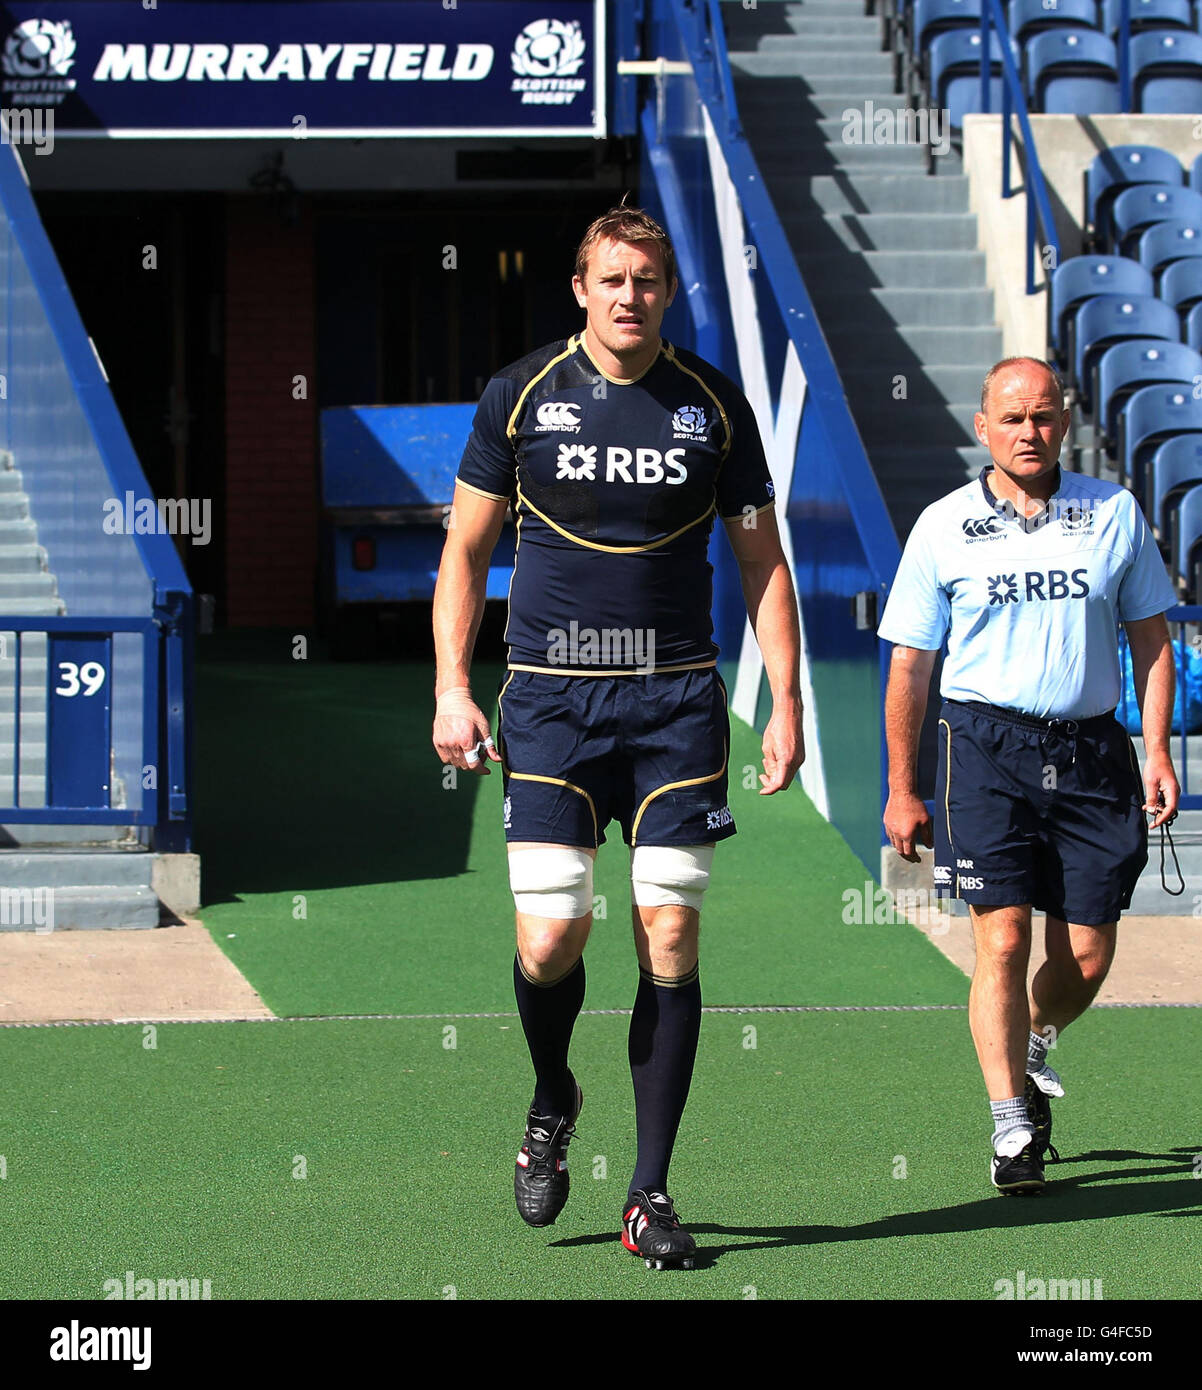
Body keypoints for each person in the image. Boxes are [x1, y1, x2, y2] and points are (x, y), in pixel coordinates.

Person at [431, 204, 804, 1266]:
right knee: (551, 940)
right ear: (579, 287)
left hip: (674, 704)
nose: (628, 295)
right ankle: (553, 1096)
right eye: (610, 279)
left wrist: (784, 697)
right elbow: (462, 554)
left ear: (667, 291)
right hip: (548, 701)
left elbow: (759, 562)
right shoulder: (519, 397)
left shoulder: (712, 409)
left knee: (670, 937)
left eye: (646, 280)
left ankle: (649, 1192)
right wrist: (453, 687)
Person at [878, 356, 1178, 1194]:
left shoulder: (1113, 511)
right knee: (1001, 939)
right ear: (983, 429)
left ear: (1063, 425)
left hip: (1091, 751)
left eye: (1043, 416)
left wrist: (1155, 750)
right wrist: (902, 786)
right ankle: (1012, 1125)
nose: (1029, 431)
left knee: (1085, 955)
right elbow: (911, 665)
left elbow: (1152, 638)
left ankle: (1035, 1038)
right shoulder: (941, 526)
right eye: (1012, 418)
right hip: (985, 747)